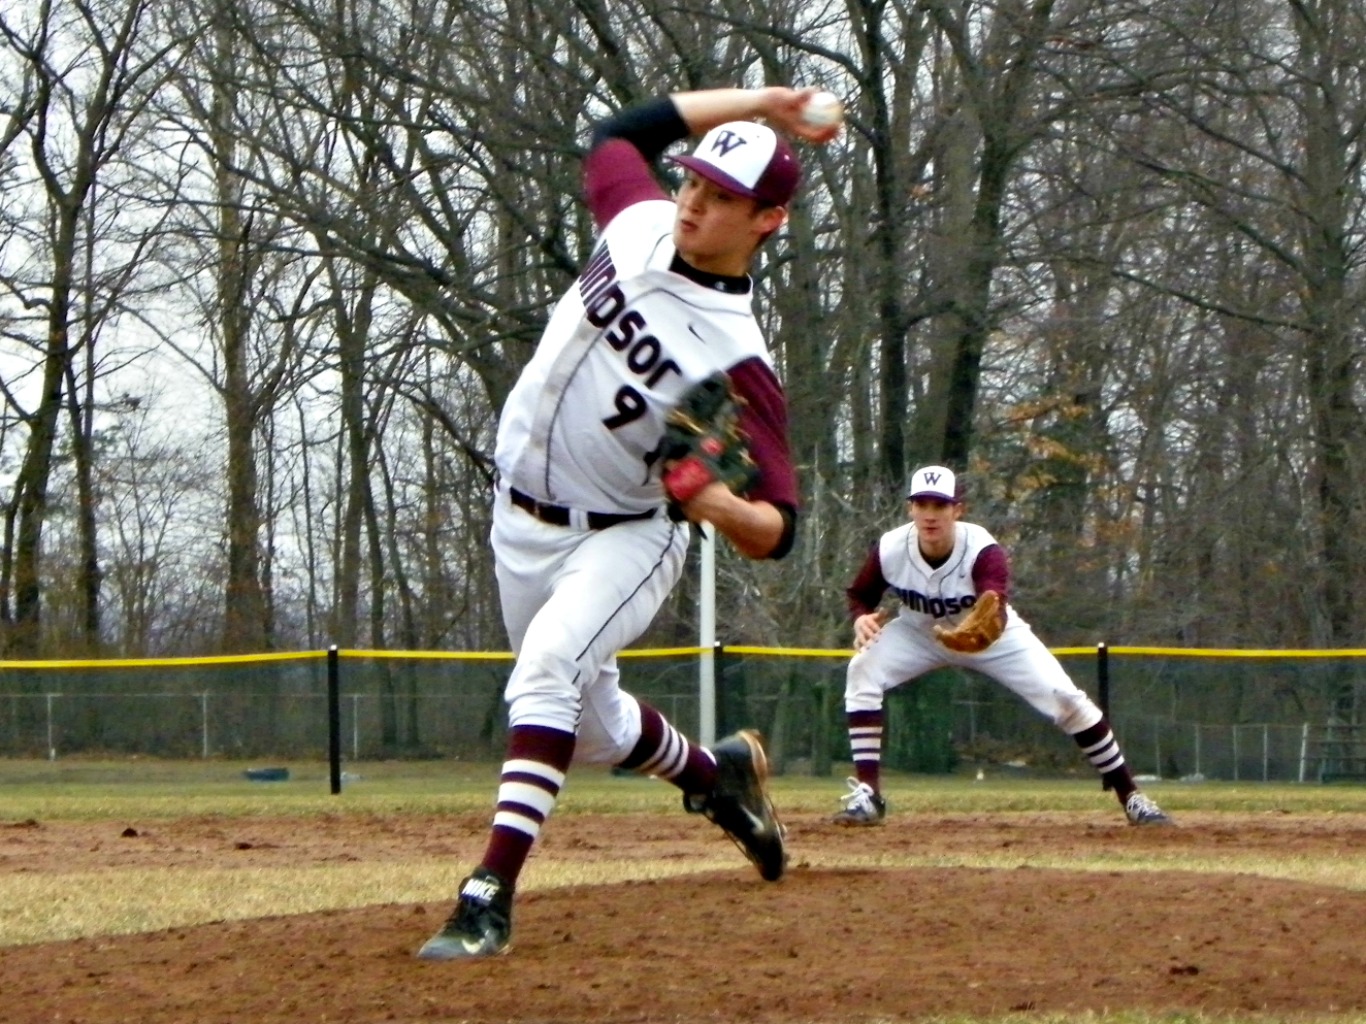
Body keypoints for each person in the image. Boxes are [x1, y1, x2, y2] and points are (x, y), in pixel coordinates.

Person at [416, 86, 840, 960]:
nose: (693, 202)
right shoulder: (638, 219)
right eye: (693, 182)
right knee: (593, 723)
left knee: (545, 674)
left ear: (768, 220)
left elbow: (781, 528)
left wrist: (718, 503)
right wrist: (762, 102)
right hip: (520, 518)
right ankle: (712, 775)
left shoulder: (738, 357)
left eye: (722, 197)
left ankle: (487, 895)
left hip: (626, 536)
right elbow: (615, 133)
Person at [832, 464, 1174, 828]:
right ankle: (869, 795)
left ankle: (1132, 796)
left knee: (1065, 697)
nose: (930, 515)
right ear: (910, 509)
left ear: (957, 510)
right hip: (919, 633)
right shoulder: (890, 548)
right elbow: (859, 594)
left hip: (991, 637)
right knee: (862, 669)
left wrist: (986, 609)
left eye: (940, 505)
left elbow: (994, 594)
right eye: (922, 504)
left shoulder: (981, 548)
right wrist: (861, 617)